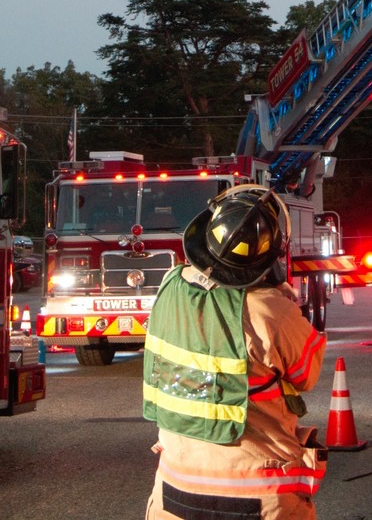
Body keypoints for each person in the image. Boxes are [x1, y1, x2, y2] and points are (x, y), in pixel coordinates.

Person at [141, 184, 329, 520]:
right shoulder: (271, 311)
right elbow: (306, 375)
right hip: (259, 496)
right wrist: (282, 299)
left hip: (174, 491)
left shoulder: (169, 287)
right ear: (271, 256)